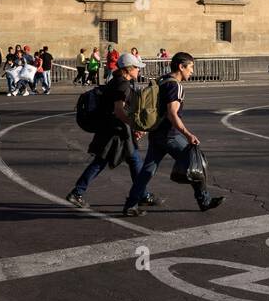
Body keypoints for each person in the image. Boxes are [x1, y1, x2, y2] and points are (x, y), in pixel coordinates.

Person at [123, 51, 224, 216]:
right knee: (196, 165)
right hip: (170, 135)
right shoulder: (175, 85)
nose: (192, 71)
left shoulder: (162, 80)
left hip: (156, 134)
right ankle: (204, 200)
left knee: (147, 171)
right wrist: (187, 134)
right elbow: (172, 113)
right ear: (181, 67)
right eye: (190, 67)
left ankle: (130, 205)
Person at [66, 52, 160, 211]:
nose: (139, 71)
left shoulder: (116, 81)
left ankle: (143, 194)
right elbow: (118, 110)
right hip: (117, 131)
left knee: (121, 161)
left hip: (113, 129)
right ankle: (77, 192)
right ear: (128, 69)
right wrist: (134, 126)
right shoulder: (122, 84)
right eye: (137, 68)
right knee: (119, 161)